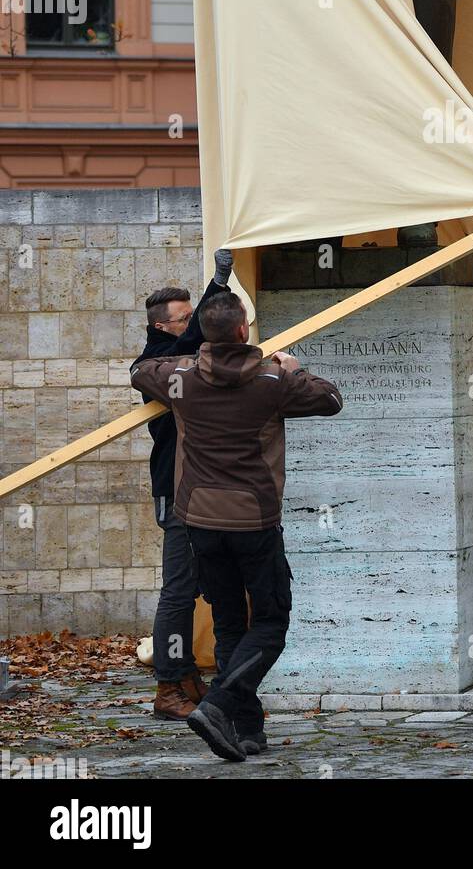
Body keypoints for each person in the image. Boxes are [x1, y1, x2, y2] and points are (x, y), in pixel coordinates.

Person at [130, 291, 343, 763]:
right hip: (254, 521)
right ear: (245, 330)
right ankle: (222, 705)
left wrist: (188, 350)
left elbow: (139, 370)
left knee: (229, 622)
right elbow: (331, 399)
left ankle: (247, 732)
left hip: (201, 521)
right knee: (270, 621)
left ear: (203, 333)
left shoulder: (181, 378)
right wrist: (291, 366)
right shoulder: (272, 380)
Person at [134, 247, 234, 721]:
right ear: (161, 327)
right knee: (178, 589)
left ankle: (189, 673)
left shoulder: (185, 351)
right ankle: (169, 685)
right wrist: (218, 284)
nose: (192, 324)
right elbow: (189, 347)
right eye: (183, 319)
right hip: (178, 491)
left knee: (205, 585)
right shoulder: (153, 363)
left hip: (207, 490)